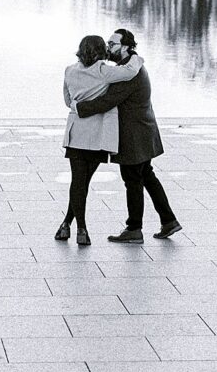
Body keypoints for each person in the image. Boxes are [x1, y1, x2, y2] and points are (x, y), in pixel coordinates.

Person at [75, 27, 183, 242]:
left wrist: (79, 108)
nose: (108, 48)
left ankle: (134, 228)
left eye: (113, 44)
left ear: (125, 47)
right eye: (108, 43)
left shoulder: (129, 72)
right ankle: (169, 221)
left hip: (134, 137)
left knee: (132, 180)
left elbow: (108, 100)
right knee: (147, 177)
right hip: (143, 131)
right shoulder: (130, 66)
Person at [57, 35, 143, 245]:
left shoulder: (69, 70)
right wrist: (137, 57)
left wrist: (79, 104)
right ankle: (73, 227)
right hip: (97, 137)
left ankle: (74, 227)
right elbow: (130, 71)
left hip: (76, 134)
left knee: (78, 182)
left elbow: (68, 101)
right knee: (84, 182)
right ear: (101, 51)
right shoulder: (103, 71)